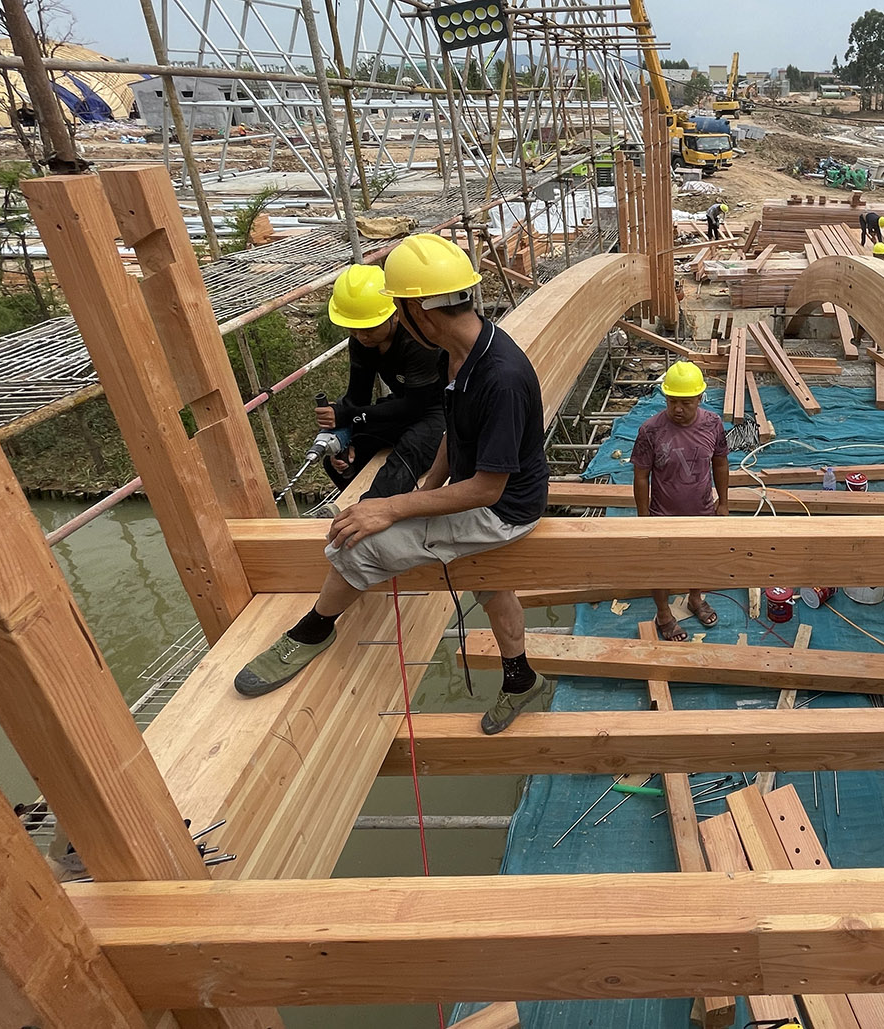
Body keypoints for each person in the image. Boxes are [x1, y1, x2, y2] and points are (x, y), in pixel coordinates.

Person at [235, 234, 554, 737]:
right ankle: (521, 679)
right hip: (482, 495)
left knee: (360, 539)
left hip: (505, 509)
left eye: (398, 309)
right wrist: (428, 489)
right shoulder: (461, 354)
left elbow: (488, 491)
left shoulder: (501, 377)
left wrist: (396, 508)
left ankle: (314, 630)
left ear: (417, 312)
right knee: (489, 583)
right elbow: (454, 429)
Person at [317, 265, 446, 499]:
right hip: (404, 404)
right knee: (337, 456)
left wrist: (350, 415)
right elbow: (358, 396)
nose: (361, 337)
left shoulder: (416, 340)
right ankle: (350, 496)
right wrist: (345, 433)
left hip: (439, 408)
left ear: (395, 313)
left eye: (368, 329)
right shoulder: (361, 342)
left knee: (410, 451)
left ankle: (371, 508)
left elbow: (416, 405)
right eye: (353, 330)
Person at [632, 361, 729, 641]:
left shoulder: (712, 424)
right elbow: (641, 476)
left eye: (686, 403)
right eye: (672, 401)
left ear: (699, 398)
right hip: (663, 515)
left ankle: (695, 598)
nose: (677, 409)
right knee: (659, 567)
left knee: (699, 560)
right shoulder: (651, 431)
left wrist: (722, 503)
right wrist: (644, 519)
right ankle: (664, 613)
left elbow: (720, 463)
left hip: (702, 511)